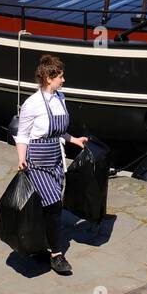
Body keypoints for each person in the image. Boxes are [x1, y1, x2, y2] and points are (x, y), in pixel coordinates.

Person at [14, 54, 87, 275]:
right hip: (37, 160)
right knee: (54, 204)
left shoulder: (60, 98)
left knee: (47, 205)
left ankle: (38, 242)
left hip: (55, 157)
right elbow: (23, 134)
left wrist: (73, 139)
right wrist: (21, 158)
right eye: (61, 77)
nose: (63, 80)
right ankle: (56, 254)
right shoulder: (32, 104)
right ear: (48, 78)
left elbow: (58, 130)